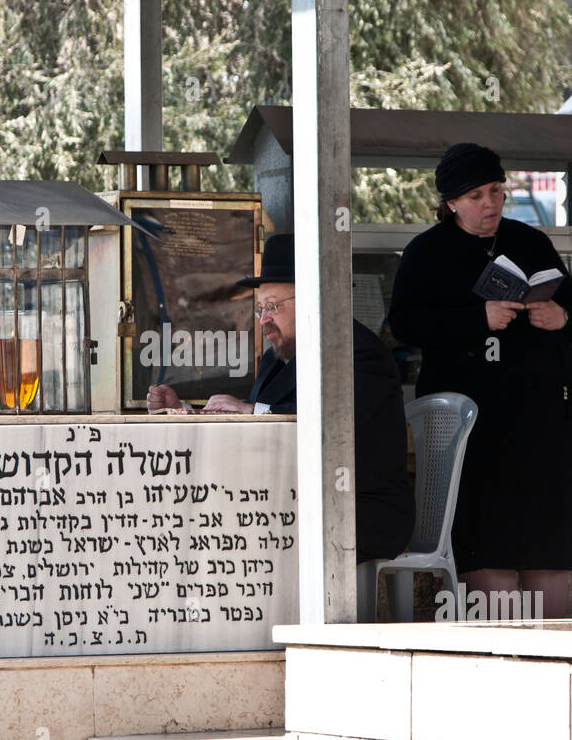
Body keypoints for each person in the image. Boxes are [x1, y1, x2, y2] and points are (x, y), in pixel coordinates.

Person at [388, 142, 572, 619]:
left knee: (547, 543)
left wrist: (561, 316)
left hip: (541, 423)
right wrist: (475, 318)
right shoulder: (426, 252)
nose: (490, 204)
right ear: (451, 203)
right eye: (477, 195)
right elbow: (404, 324)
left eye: (497, 191)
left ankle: (557, 654)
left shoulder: (530, 242)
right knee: (487, 542)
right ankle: (499, 650)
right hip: (473, 427)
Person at [149, 232, 414, 564]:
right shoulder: (279, 354)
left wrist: (250, 411)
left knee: (244, 530)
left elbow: (329, 428)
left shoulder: (358, 351)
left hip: (359, 508)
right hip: (293, 499)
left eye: (272, 307)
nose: (263, 320)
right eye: (260, 309)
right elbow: (257, 417)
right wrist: (186, 411)